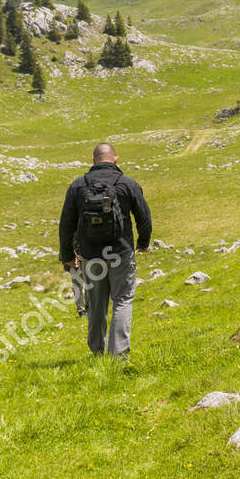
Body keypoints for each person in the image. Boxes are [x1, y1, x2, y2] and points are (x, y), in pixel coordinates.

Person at [59, 142, 152, 358]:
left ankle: (97, 351)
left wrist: (68, 256)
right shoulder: (127, 184)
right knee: (122, 299)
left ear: (93, 161)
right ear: (116, 159)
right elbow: (144, 218)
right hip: (121, 252)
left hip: (91, 257)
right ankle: (118, 354)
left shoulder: (77, 186)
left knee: (96, 304)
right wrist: (143, 243)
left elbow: (66, 224)